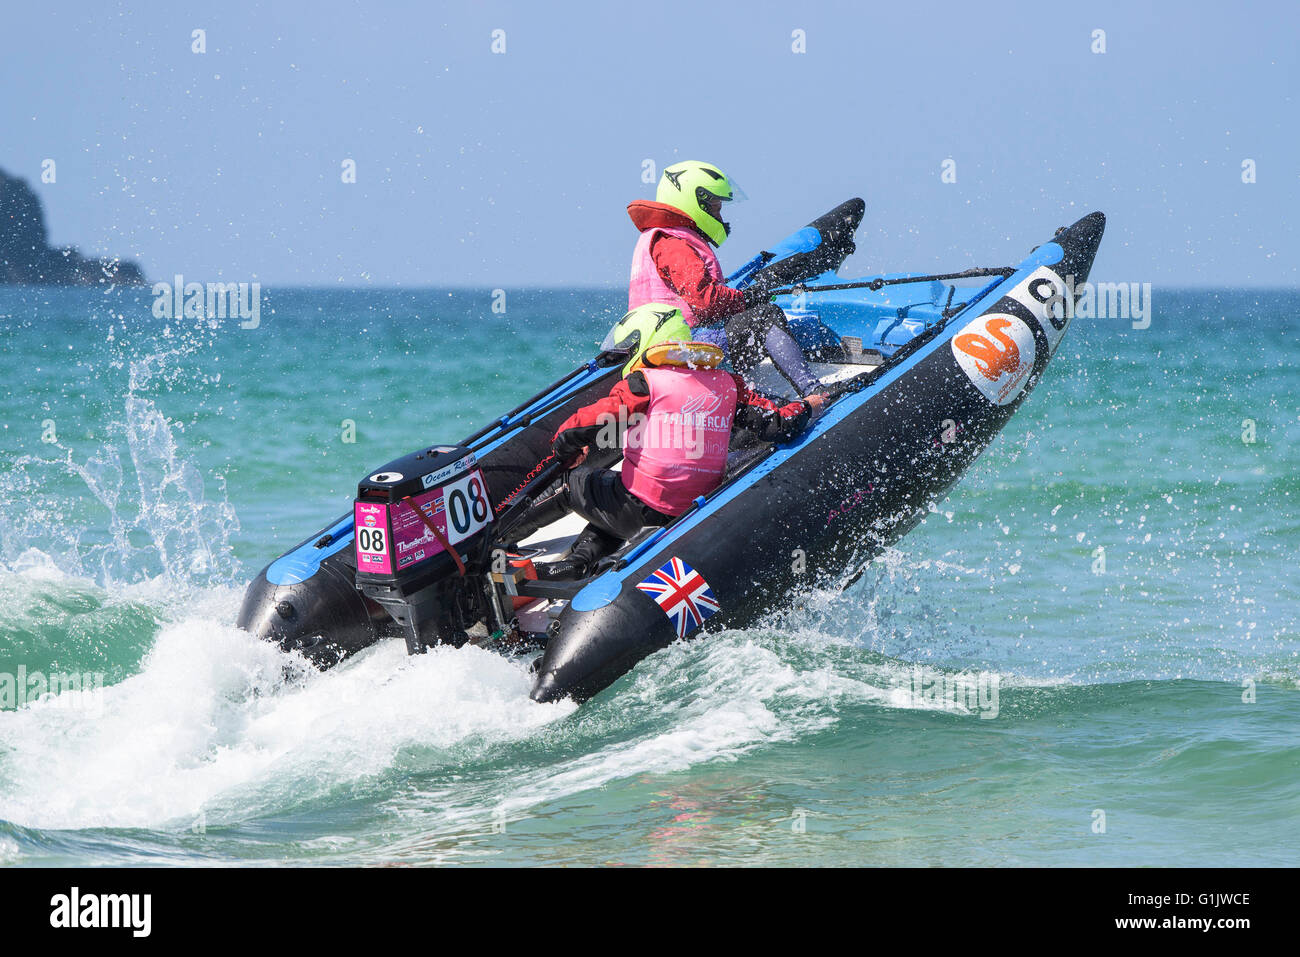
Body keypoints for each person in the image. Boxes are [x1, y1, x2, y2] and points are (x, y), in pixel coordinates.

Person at [510, 313, 820, 579]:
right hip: (689, 511)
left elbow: (581, 425)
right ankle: (578, 564)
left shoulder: (645, 382)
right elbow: (776, 424)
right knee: (610, 502)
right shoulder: (728, 383)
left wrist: (567, 450)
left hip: (639, 506)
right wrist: (806, 406)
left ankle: (503, 540)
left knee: (572, 484)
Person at [628, 160, 825, 397]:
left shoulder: (658, 238)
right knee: (766, 316)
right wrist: (747, 298)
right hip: (685, 348)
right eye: (715, 207)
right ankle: (815, 391)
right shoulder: (675, 243)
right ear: (694, 201)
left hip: (662, 350)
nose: (720, 216)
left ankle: (750, 395)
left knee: (748, 321)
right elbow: (706, 301)